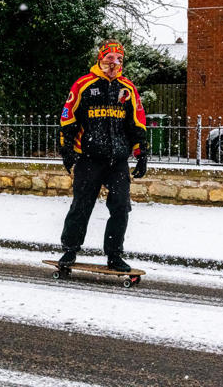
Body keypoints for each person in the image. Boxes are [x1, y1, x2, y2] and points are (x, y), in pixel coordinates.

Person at [57, 40, 148, 272]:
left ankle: (114, 255)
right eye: (110, 58)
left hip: (117, 159)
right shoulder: (83, 85)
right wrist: (67, 151)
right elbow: (68, 119)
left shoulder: (127, 88)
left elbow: (136, 122)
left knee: (120, 207)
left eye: (119, 59)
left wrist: (141, 152)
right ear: (100, 59)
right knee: (81, 205)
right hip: (89, 157)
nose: (114, 63)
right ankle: (70, 250)